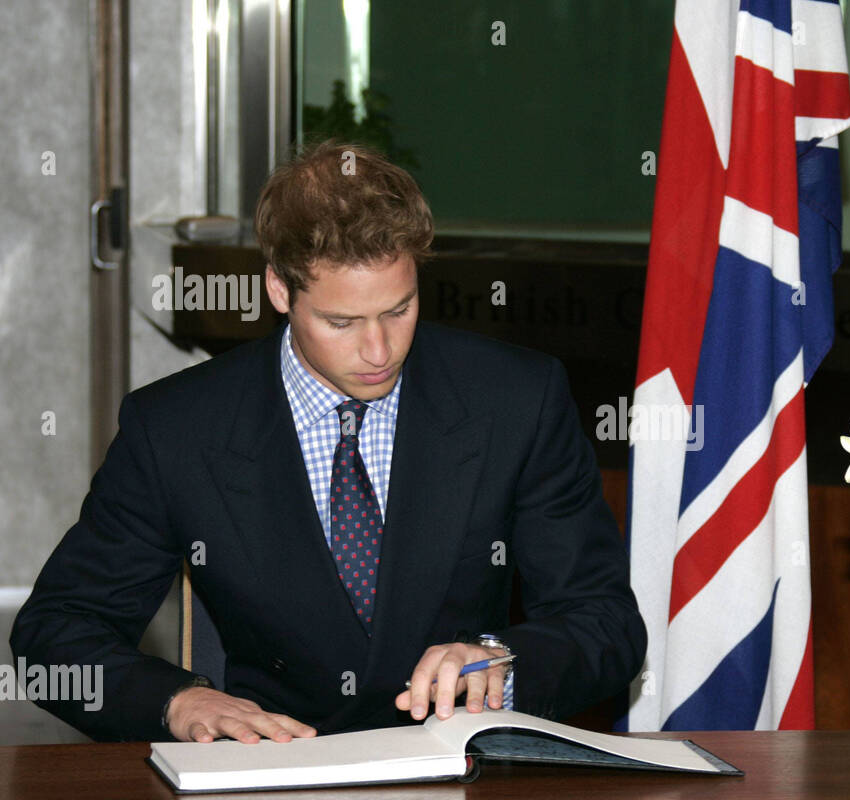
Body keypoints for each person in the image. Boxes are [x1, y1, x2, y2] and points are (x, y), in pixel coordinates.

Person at [10, 141, 646, 744]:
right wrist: (178, 702)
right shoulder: (177, 427)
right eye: (341, 322)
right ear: (280, 291)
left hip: (463, 785)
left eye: (399, 310)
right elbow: (54, 634)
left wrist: (504, 663)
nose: (379, 351)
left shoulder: (515, 399)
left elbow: (606, 623)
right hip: (270, 785)